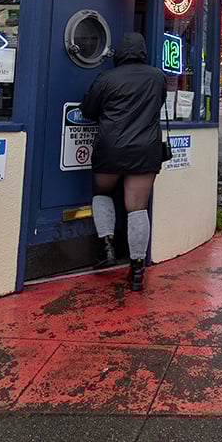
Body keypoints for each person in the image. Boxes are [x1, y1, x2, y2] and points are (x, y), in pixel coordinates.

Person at [81, 32, 167, 291]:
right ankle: (137, 269)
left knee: (102, 192)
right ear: (142, 51)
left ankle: (107, 247)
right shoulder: (157, 77)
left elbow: (88, 111)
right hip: (145, 150)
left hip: (111, 149)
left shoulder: (106, 78)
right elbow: (158, 104)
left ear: (119, 52)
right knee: (137, 208)